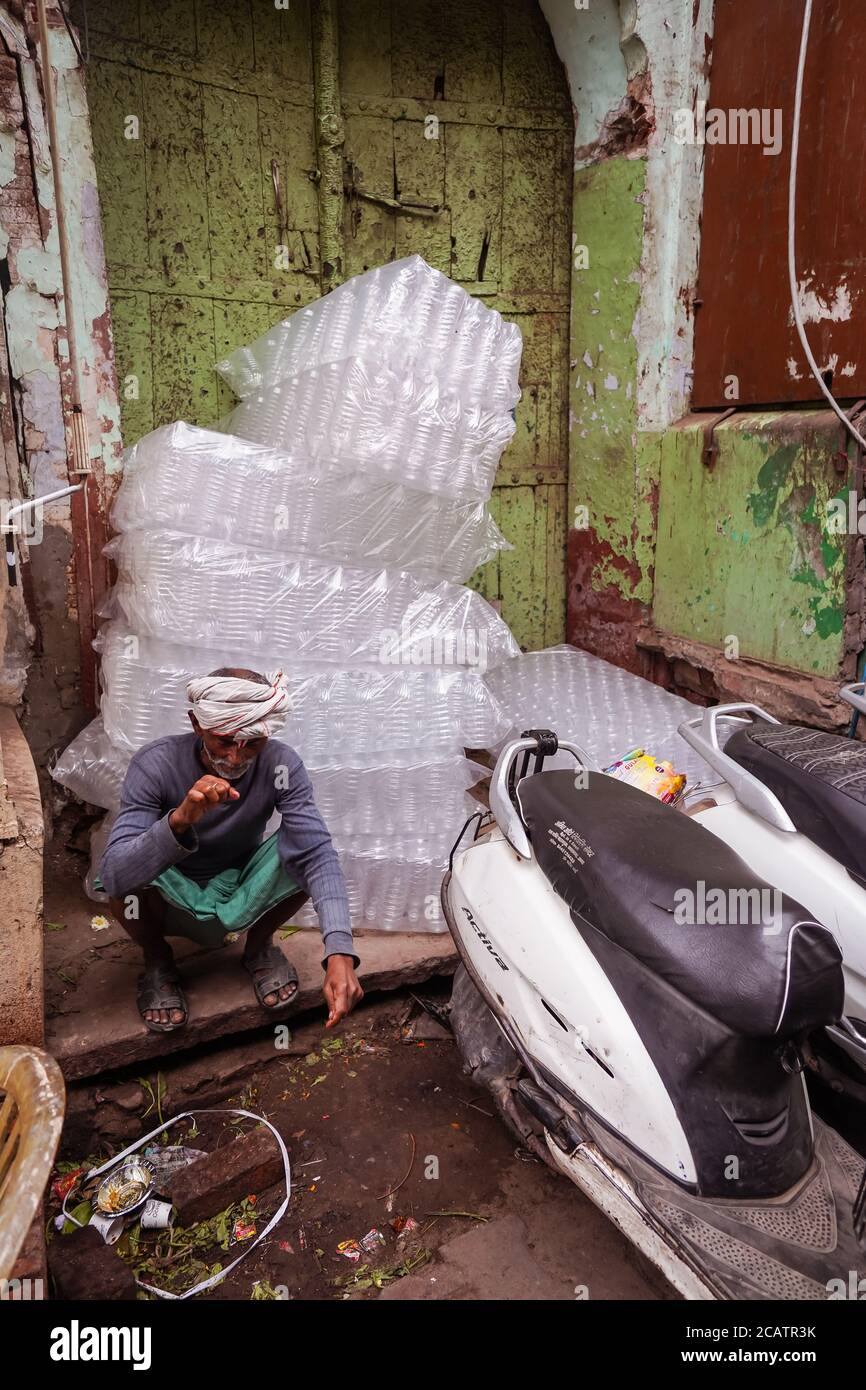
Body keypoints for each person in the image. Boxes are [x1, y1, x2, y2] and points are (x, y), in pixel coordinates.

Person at [98, 666, 363, 1033]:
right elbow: (113, 877)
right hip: (171, 889)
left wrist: (340, 951)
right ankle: (158, 962)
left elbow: (317, 854)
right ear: (196, 724)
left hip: (240, 884)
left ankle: (258, 949)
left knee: (304, 850)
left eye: (252, 743)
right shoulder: (155, 763)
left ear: (267, 733)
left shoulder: (281, 764)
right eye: (223, 741)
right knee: (125, 874)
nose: (236, 758)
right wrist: (178, 821)